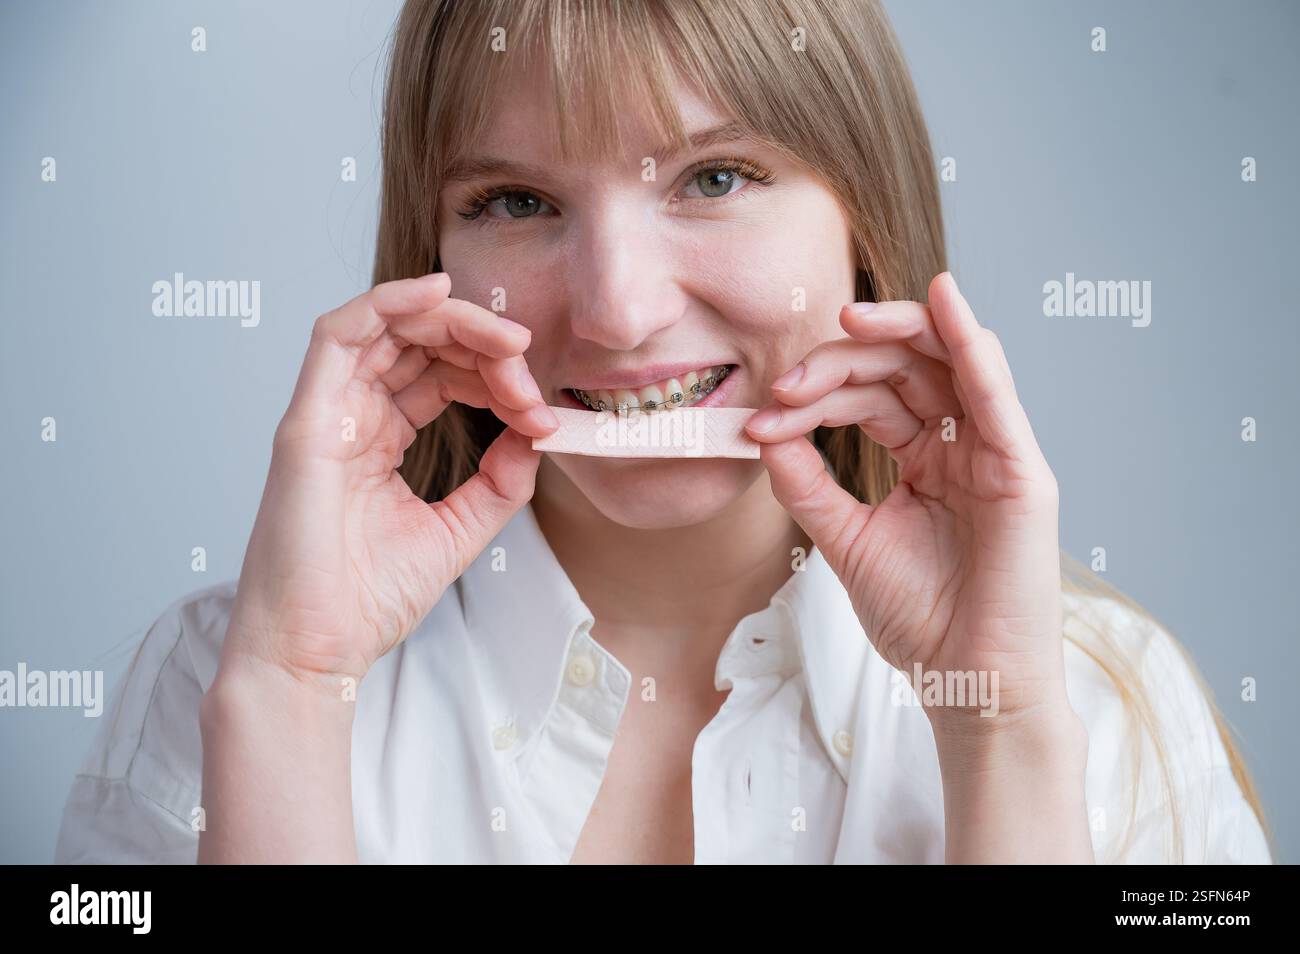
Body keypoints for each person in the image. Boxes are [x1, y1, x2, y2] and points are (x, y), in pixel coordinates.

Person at [55, 0, 1272, 864]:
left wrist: (1000, 727)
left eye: (714, 178)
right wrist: (289, 697)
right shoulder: (234, 684)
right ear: (432, 263)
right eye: (517, 202)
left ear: (865, 219)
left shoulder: (1103, 712)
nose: (619, 310)